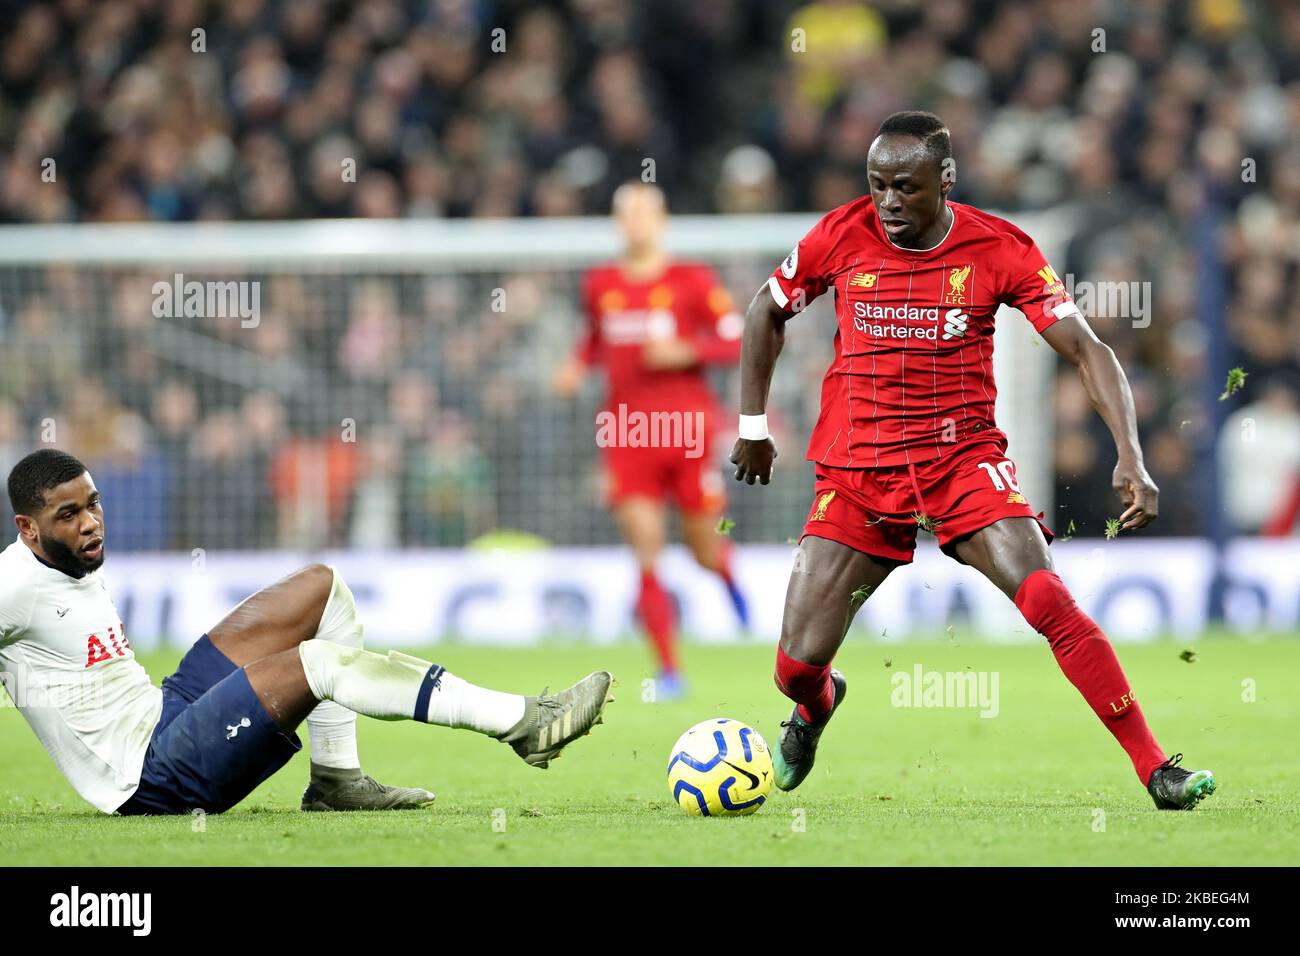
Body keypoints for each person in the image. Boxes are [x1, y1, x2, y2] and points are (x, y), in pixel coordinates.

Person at [728, 111, 1215, 810]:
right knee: (793, 667)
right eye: (877, 186)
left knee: (1048, 598)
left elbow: (1087, 349)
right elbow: (765, 310)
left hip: (962, 465)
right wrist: (753, 423)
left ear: (945, 180)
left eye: (906, 186)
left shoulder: (1000, 247)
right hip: (859, 470)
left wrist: (1131, 456)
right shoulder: (840, 234)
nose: (889, 202)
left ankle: (1155, 768)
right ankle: (817, 705)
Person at [0, 448, 612, 816]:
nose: (92, 523)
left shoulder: (69, 559)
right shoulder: (14, 587)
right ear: (28, 528)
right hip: (151, 775)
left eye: (94, 503)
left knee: (323, 587)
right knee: (316, 662)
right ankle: (523, 721)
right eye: (69, 515)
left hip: (165, 710)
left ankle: (335, 779)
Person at [555, 182, 749, 698]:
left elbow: (737, 341)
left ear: (661, 221)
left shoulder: (692, 279)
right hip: (626, 434)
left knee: (702, 549)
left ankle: (730, 580)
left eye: (645, 213)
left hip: (687, 432)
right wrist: (578, 364)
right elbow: (596, 338)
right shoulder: (600, 284)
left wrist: (686, 349)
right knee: (646, 549)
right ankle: (669, 671)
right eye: (627, 214)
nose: (636, 223)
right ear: (618, 224)